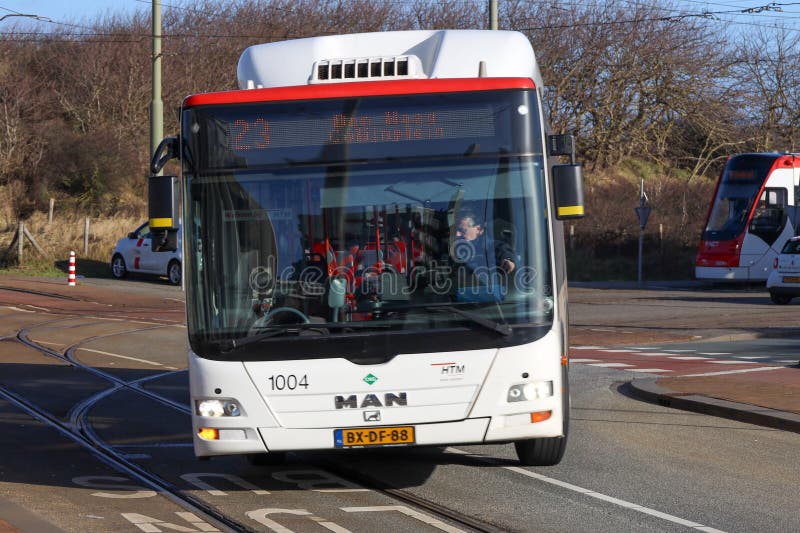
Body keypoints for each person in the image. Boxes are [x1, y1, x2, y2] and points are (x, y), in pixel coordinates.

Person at [453, 209, 516, 274]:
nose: (457, 234)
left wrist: (508, 260)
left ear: (479, 229)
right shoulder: (454, 246)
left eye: (463, 230)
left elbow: (503, 251)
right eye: (456, 230)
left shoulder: (491, 245)